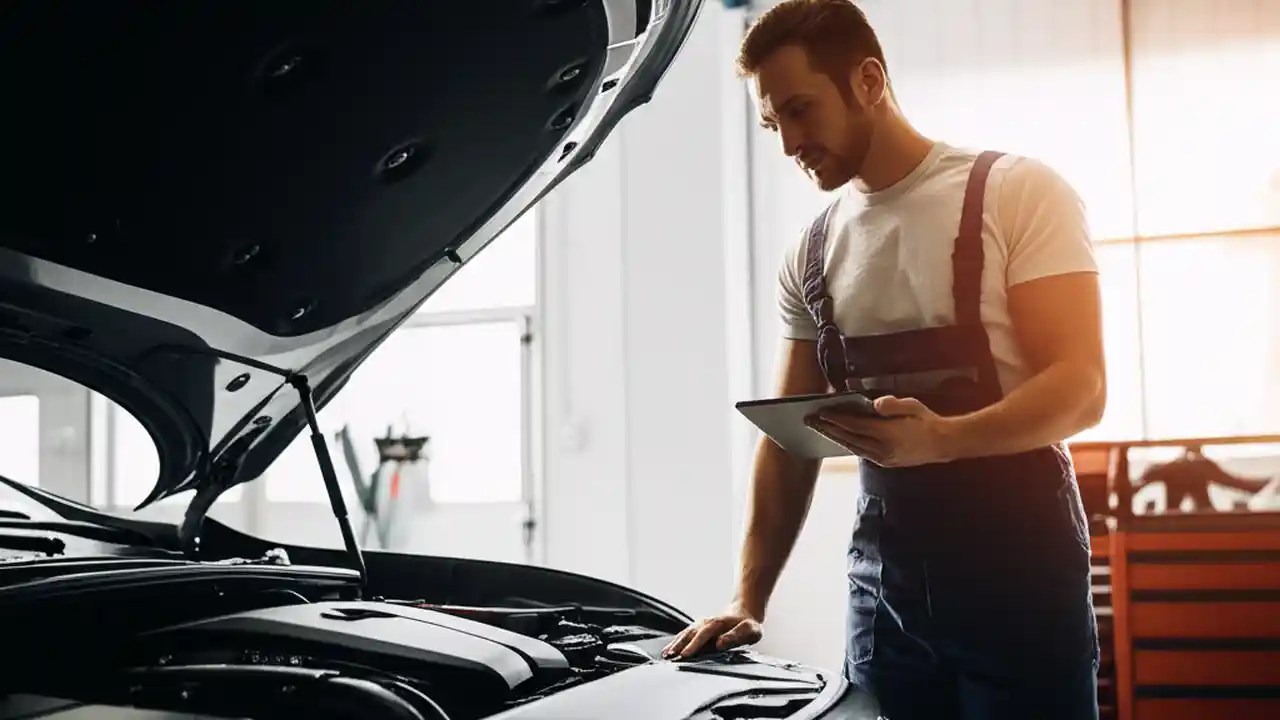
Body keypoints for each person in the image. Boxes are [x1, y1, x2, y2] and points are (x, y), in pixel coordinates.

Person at [660, 1, 1106, 718]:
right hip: (884, 599)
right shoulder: (809, 254)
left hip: (1020, 582)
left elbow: (1081, 387)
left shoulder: (1018, 193)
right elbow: (789, 441)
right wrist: (749, 596)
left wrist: (945, 439)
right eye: (774, 125)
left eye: (801, 111)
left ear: (868, 80)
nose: (789, 145)